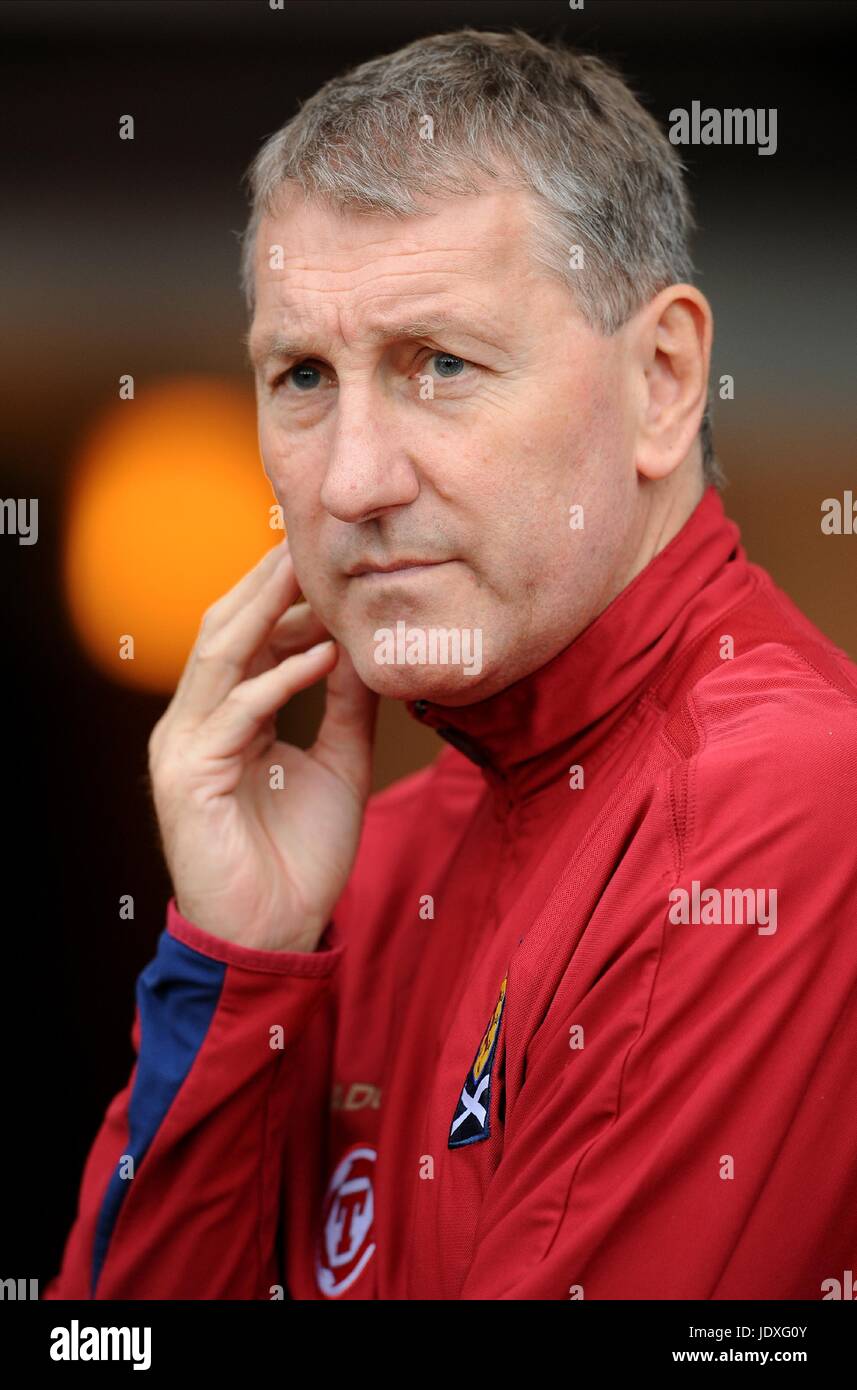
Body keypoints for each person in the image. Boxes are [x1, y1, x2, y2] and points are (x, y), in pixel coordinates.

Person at [46, 29, 857, 1301]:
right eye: (302, 375)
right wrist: (235, 965)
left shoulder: (779, 804)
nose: (353, 479)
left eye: (439, 364)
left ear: (661, 382)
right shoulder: (373, 863)